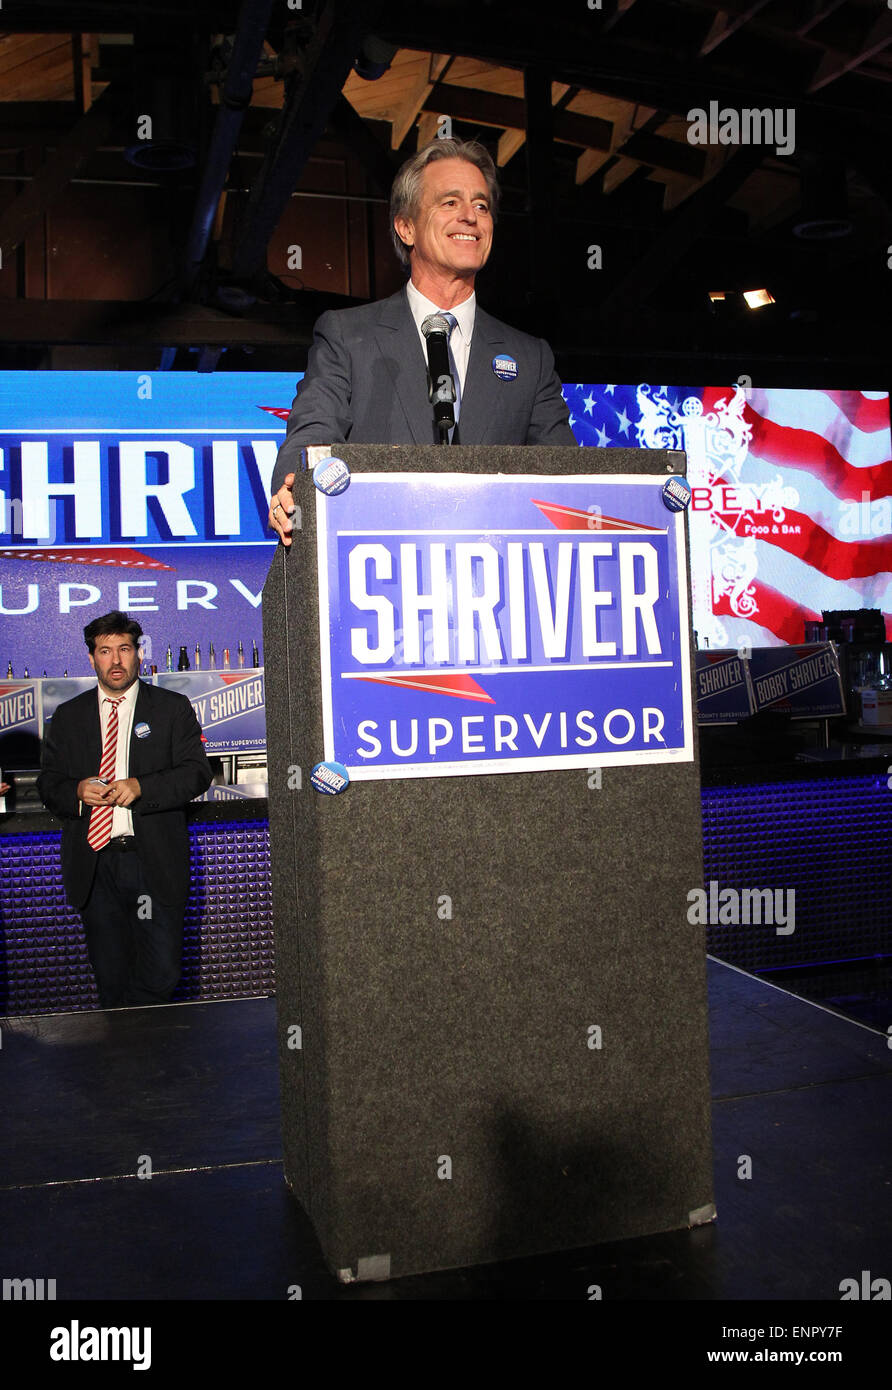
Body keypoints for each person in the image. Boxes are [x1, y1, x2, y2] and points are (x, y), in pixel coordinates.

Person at [268, 137, 576, 545]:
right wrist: (294, 488)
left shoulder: (529, 357)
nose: (470, 216)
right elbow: (311, 436)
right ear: (406, 226)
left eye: (481, 206)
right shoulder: (348, 336)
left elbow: (569, 479)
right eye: (449, 203)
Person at [37, 611, 212, 1008]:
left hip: (152, 861)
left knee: (161, 974)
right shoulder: (69, 716)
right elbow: (49, 784)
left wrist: (141, 787)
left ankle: (151, 1055)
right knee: (111, 978)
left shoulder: (171, 708)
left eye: (124, 650)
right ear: (91, 658)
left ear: (138, 654)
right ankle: (124, 1064)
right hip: (96, 866)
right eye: (105, 651)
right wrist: (77, 791)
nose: (115, 661)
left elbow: (197, 773)